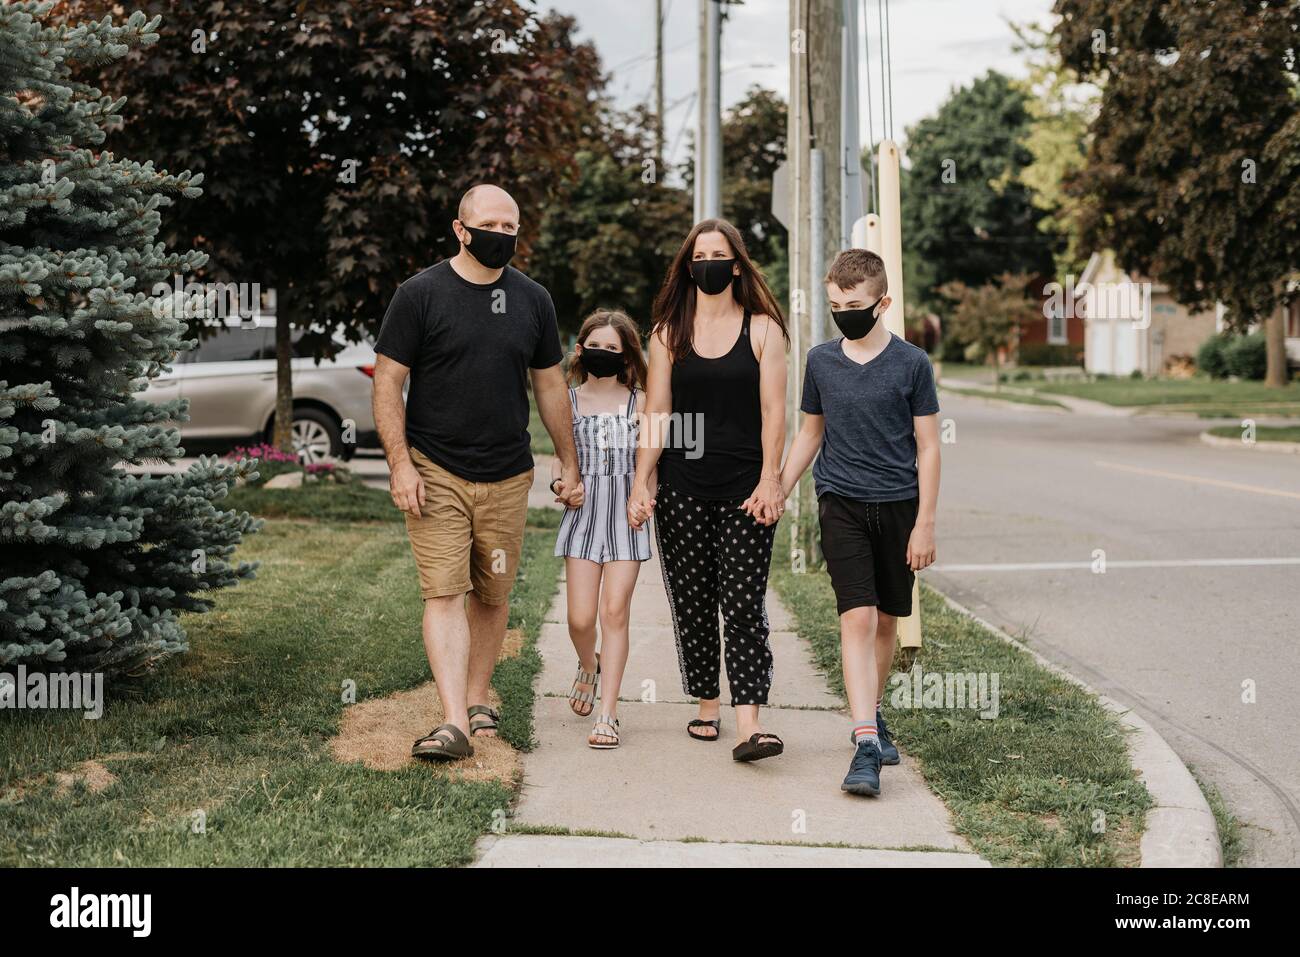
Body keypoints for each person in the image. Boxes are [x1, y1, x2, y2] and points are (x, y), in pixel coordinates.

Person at [372, 183, 583, 763]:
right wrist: (400, 465)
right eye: (491, 225)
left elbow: (548, 386)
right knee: (445, 590)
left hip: (508, 473)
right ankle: (453, 720)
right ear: (460, 229)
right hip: (435, 467)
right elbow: (388, 381)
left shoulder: (533, 300)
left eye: (512, 228)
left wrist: (568, 461)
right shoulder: (420, 295)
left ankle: (478, 695)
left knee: (492, 593)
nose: (502, 236)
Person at [627, 218, 790, 763]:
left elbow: (774, 413)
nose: (709, 264)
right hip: (683, 487)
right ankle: (706, 702)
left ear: (737, 265)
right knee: (693, 600)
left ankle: (750, 725)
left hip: (747, 489)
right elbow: (657, 411)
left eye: (720, 255)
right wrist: (641, 480)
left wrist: (772, 480)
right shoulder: (668, 333)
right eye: (700, 257)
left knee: (743, 604)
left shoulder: (764, 330)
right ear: (687, 266)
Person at [779, 248, 940, 796]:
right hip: (841, 501)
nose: (842, 312)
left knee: (888, 620)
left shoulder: (913, 364)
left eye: (853, 304)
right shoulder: (821, 360)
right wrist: (777, 487)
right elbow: (810, 433)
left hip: (898, 506)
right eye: (834, 304)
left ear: (883, 303)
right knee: (858, 617)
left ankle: (872, 709)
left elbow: (929, 447)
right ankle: (866, 741)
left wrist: (925, 524)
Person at [552, 310, 652, 749]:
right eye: (597, 346)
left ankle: (608, 713)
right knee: (579, 618)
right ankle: (587, 665)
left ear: (626, 354)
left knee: (614, 612)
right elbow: (560, 459)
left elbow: (652, 463)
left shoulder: (642, 401)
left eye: (614, 348)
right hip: (584, 512)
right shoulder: (567, 400)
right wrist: (561, 485)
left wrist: (645, 495)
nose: (604, 354)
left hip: (626, 514)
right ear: (580, 349)